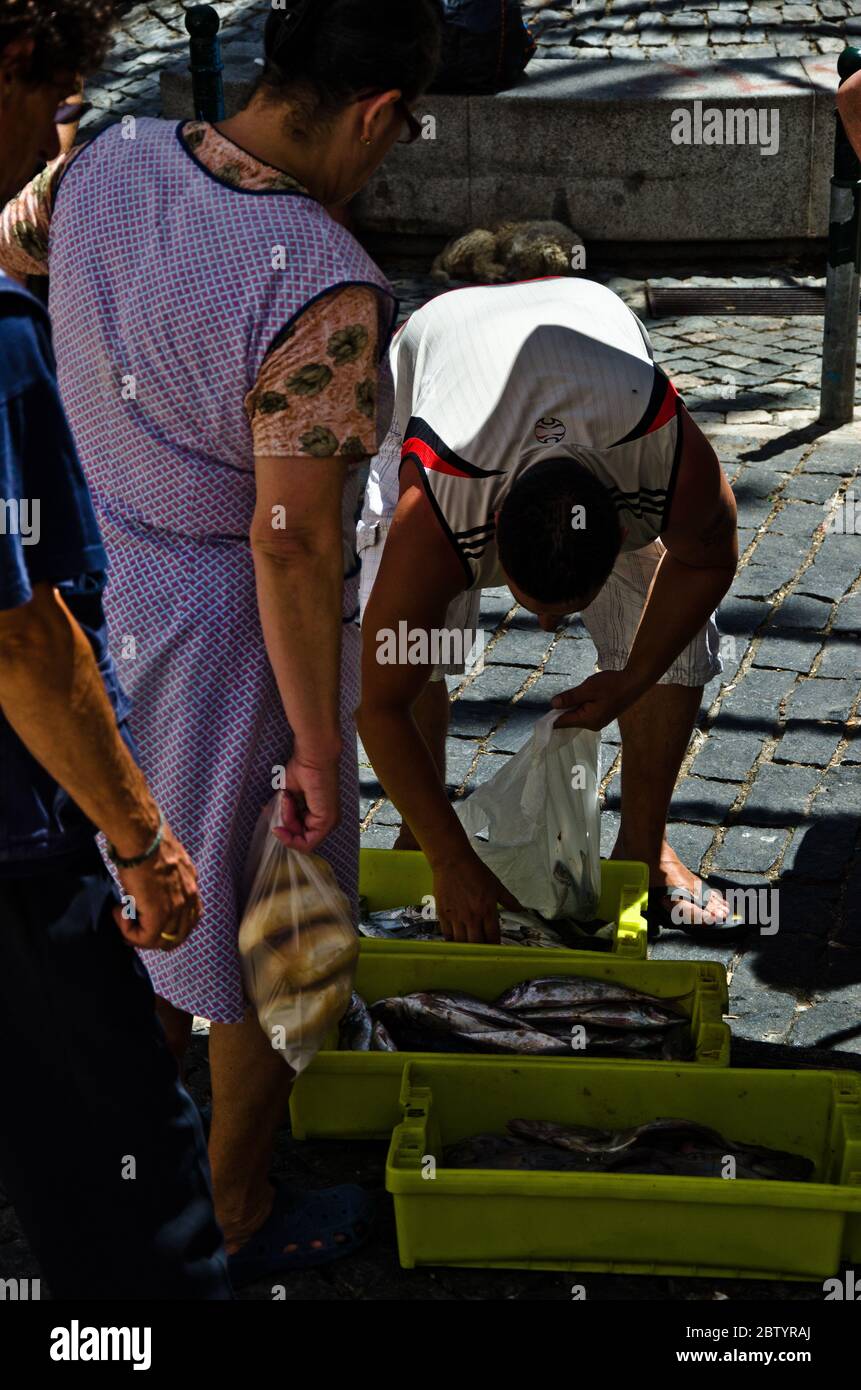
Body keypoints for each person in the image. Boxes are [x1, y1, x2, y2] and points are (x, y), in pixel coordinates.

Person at [0, 0, 443, 1285]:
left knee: (132, 899)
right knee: (278, 929)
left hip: (94, 602)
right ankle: (238, 1196)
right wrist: (317, 737)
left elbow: (15, 244)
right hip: (231, 643)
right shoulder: (320, 278)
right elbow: (293, 542)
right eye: (402, 131)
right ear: (373, 115)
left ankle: (127, 1164)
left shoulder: (110, 158)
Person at [0, 0, 231, 1300]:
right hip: (30, 851)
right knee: (139, 1219)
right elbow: (25, 641)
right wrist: (142, 839)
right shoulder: (0, 339)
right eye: (52, 104)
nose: (55, 136)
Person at [357, 275, 745, 945]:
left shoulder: (662, 456)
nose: (541, 629)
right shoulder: (438, 516)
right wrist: (451, 861)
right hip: (442, 361)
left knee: (675, 637)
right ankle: (418, 836)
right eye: (532, 606)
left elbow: (707, 561)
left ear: (624, 529)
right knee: (420, 650)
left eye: (558, 612)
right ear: (486, 537)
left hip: (594, 345)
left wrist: (631, 678)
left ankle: (644, 850)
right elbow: (376, 702)